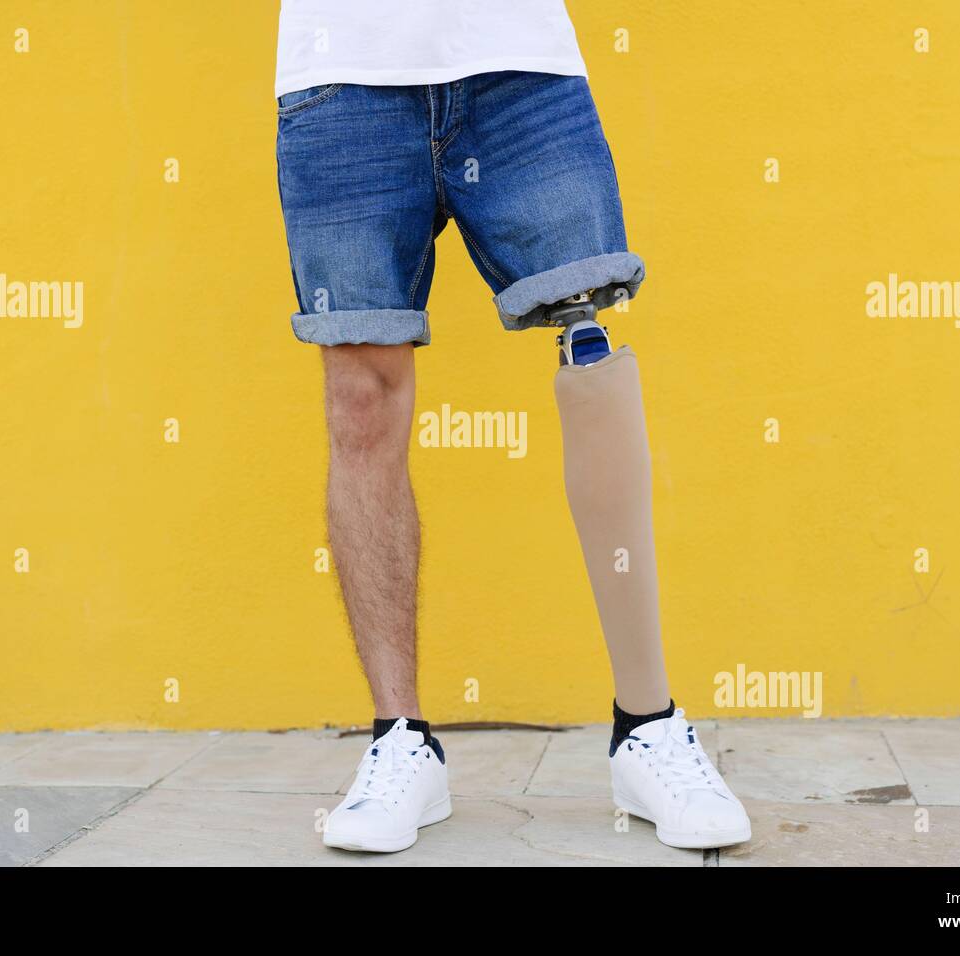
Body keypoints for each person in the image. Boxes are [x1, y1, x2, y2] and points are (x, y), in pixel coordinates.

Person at [273, 0, 750, 853]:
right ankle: (400, 743)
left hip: (515, 59)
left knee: (591, 346)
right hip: (338, 76)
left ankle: (648, 726)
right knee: (360, 394)